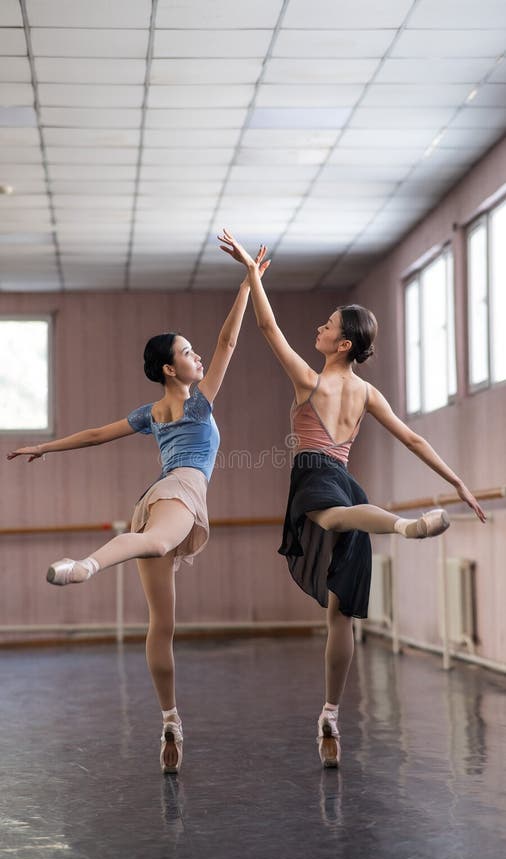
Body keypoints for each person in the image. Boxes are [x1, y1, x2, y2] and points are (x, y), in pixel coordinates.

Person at [218, 228, 486, 769]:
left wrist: (251, 274)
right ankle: (331, 714)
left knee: (334, 518)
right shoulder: (366, 393)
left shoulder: (310, 382)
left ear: (342, 344)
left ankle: (405, 529)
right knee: (340, 615)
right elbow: (412, 438)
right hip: (348, 479)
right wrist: (457, 481)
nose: (318, 327)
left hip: (318, 476)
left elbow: (266, 327)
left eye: (327, 325)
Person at [7, 251, 270, 776]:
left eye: (196, 351)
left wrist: (47, 447)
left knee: (161, 623)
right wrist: (247, 283)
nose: (199, 356)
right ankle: (87, 567)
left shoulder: (153, 413)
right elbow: (229, 342)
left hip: (155, 497)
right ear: (172, 368)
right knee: (152, 546)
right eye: (188, 353)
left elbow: (96, 435)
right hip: (179, 492)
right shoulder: (198, 403)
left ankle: (170, 721)